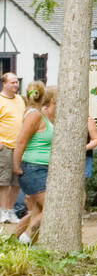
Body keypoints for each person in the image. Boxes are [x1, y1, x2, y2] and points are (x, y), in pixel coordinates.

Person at [12, 82, 56, 243]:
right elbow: (21, 141)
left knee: (38, 211)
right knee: (53, 208)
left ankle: (12, 240)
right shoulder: (34, 115)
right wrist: (16, 166)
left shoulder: (39, 114)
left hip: (41, 168)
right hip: (33, 168)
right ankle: (24, 241)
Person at [0, 71, 26, 223]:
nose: (16, 85)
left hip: (19, 147)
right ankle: (3, 211)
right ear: (4, 84)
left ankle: (10, 210)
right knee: (4, 181)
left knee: (16, 181)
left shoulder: (20, 100)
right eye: (12, 82)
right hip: (5, 146)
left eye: (17, 82)